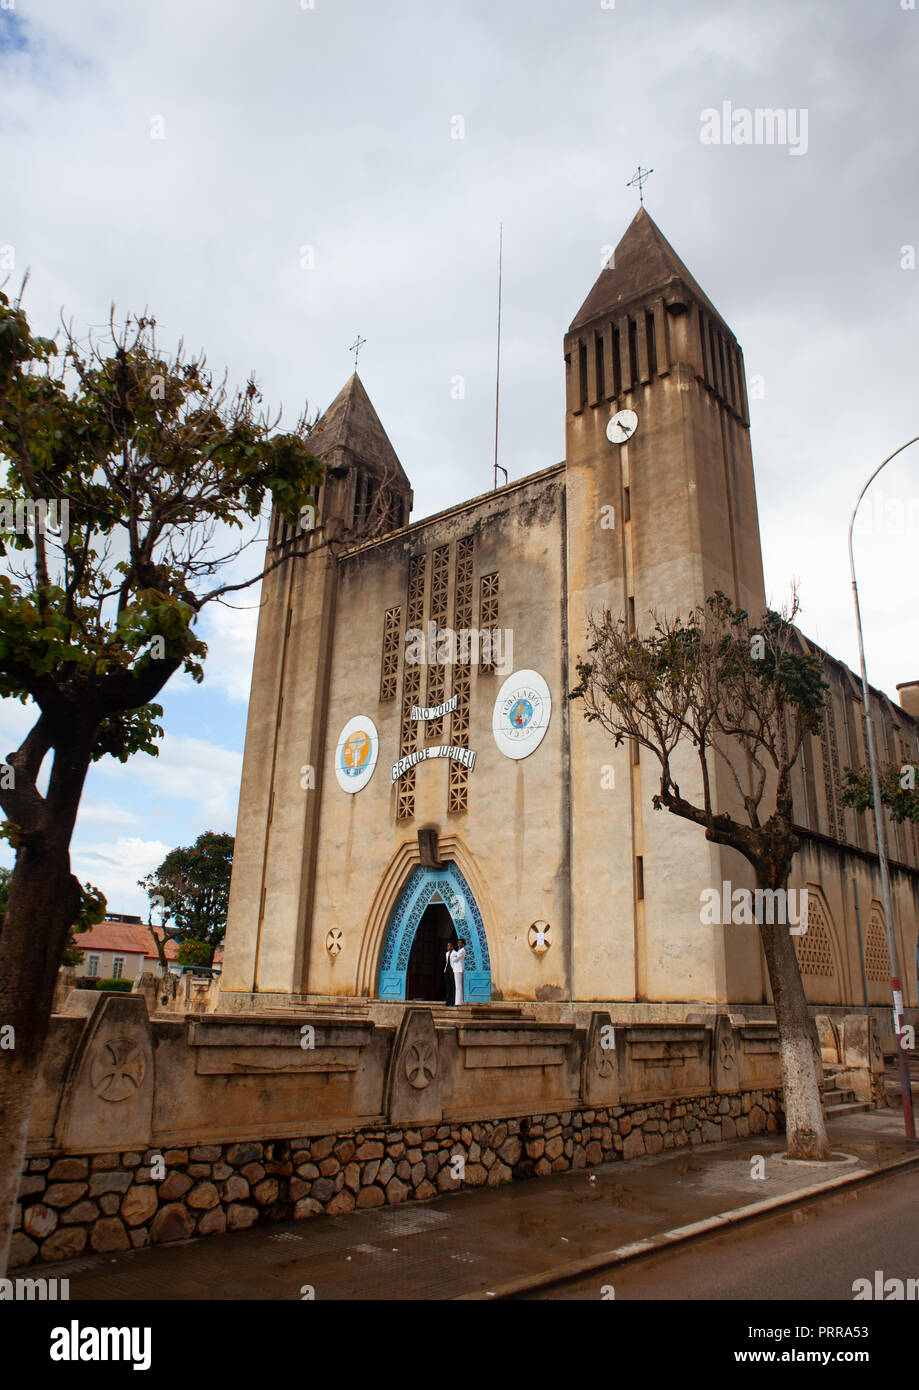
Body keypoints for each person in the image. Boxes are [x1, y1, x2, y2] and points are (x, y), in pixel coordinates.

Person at [449, 937, 466, 1006]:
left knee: (458, 986)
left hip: (459, 969)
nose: (458, 944)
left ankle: (458, 1002)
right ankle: (459, 1001)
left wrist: (454, 957)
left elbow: (455, 959)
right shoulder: (459, 951)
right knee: (458, 985)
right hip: (456, 969)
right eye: (458, 943)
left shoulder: (462, 951)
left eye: (460, 943)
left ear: (463, 944)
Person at [443, 936, 456, 1006]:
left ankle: (453, 1001)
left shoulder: (455, 953)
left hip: (452, 970)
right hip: (447, 970)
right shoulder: (447, 953)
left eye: (449, 946)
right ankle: (448, 1001)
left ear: (452, 947)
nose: (448, 947)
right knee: (448, 986)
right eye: (447, 946)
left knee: (452, 986)